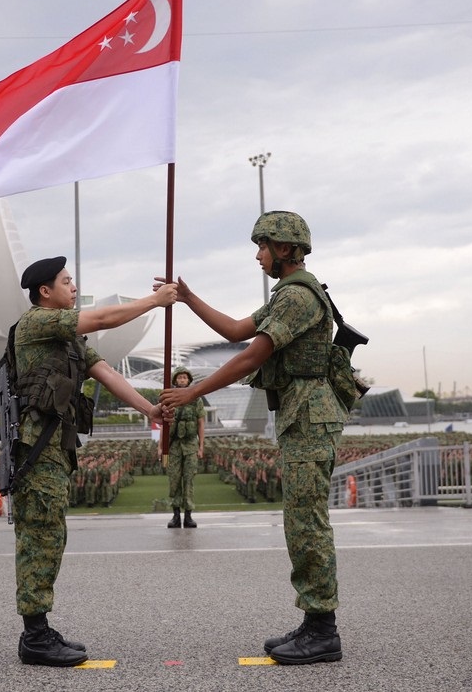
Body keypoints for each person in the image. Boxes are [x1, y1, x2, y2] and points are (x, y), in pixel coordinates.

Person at [157, 211, 347, 665]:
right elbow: (236, 331)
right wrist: (188, 298)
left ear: (284, 249)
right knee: (301, 519)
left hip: (309, 417)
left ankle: (323, 630)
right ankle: (314, 620)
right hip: (303, 416)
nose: (258, 256)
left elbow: (250, 356)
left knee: (307, 521)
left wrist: (192, 393)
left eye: (263, 247)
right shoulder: (289, 295)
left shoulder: (298, 297)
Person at [11, 255, 176, 667]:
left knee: (51, 536)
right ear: (45, 291)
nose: (73, 287)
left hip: (52, 450)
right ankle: (34, 636)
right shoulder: (37, 322)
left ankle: (39, 629)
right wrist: (154, 302)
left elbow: (107, 373)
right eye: (67, 282)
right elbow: (103, 319)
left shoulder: (67, 339)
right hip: (34, 450)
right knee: (40, 538)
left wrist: (149, 410)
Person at [165, 367, 205, 528]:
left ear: (189, 380)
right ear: (175, 380)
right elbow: (164, 425)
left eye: (184, 378)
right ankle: (175, 515)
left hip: (190, 445)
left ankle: (188, 515)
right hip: (174, 445)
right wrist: (162, 447)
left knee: (188, 480)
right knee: (174, 480)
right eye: (179, 378)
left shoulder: (196, 400)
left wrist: (201, 446)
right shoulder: (169, 399)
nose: (182, 380)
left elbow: (201, 423)